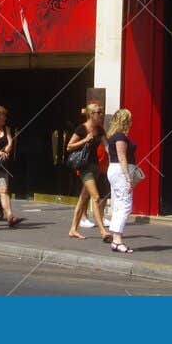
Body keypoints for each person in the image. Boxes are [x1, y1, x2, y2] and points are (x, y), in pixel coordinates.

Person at [65, 103, 109, 241]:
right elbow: (69, 147)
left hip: (95, 167)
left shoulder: (99, 129)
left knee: (83, 198)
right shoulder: (82, 128)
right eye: (98, 112)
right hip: (85, 167)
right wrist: (85, 140)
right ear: (91, 114)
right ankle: (103, 231)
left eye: (101, 112)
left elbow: (107, 147)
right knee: (95, 197)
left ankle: (73, 229)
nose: (100, 115)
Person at [104, 108, 138, 254]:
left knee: (119, 204)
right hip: (120, 171)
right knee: (125, 205)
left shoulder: (113, 136)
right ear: (125, 121)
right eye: (129, 119)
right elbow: (122, 157)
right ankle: (117, 240)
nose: (131, 122)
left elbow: (109, 152)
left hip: (115, 170)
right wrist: (128, 178)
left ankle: (115, 238)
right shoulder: (120, 137)